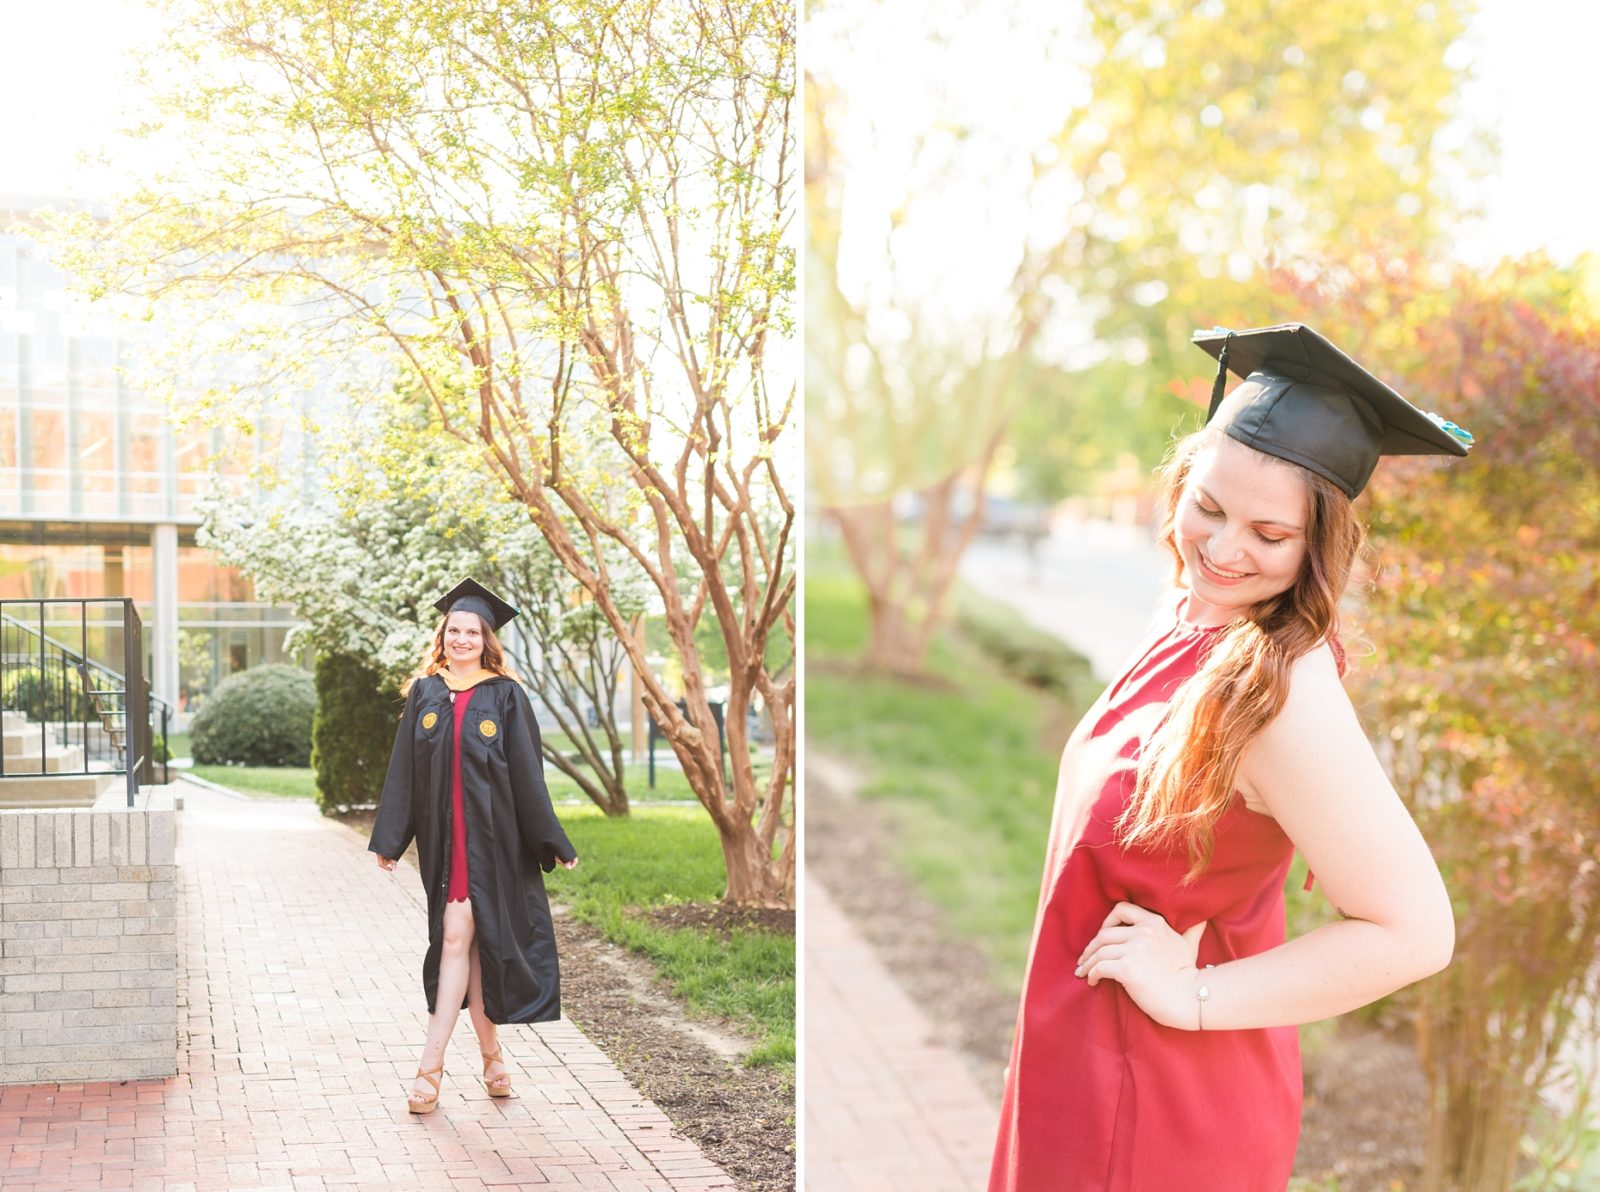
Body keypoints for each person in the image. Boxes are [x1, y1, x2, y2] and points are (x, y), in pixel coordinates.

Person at [988, 324, 1476, 1190]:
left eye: (1269, 534)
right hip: (1086, 1064)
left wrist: (1193, 996)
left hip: (1161, 1100)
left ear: (1317, 546)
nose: (1221, 549)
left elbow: (1415, 931)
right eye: (1208, 508)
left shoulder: (1282, 693)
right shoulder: (1191, 615)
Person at [369, 578, 580, 1114]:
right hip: (444, 841)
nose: (462, 639)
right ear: (443, 636)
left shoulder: (505, 694)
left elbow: (528, 776)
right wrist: (391, 837)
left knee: (457, 937)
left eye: (472, 632)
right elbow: (404, 772)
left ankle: (430, 1068)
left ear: (487, 640)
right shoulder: (425, 692)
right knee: (470, 947)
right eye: (454, 630)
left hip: (494, 840)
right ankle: (493, 1060)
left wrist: (551, 839)